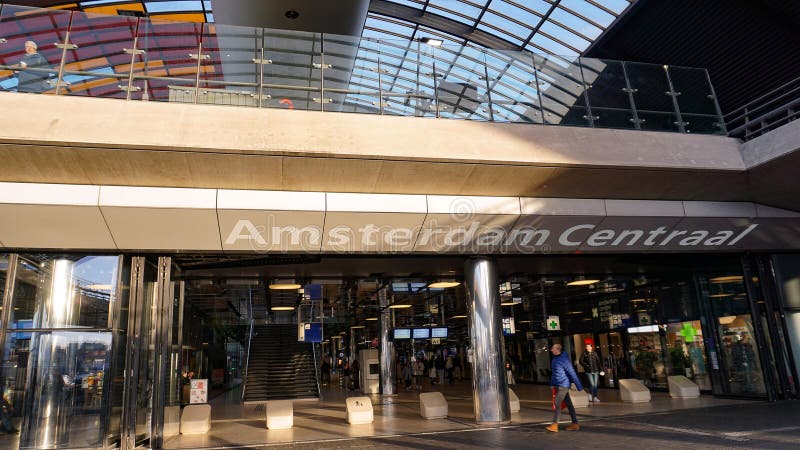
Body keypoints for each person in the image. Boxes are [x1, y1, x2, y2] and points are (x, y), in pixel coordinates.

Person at [546, 343, 583, 433]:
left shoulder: (564, 360)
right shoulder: (554, 359)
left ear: (557, 349)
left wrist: (579, 386)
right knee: (569, 404)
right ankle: (575, 423)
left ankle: (555, 424)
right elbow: (554, 374)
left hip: (563, 385)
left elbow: (572, 372)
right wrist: (552, 384)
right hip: (558, 385)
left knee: (557, 403)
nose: (551, 350)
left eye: (553, 348)